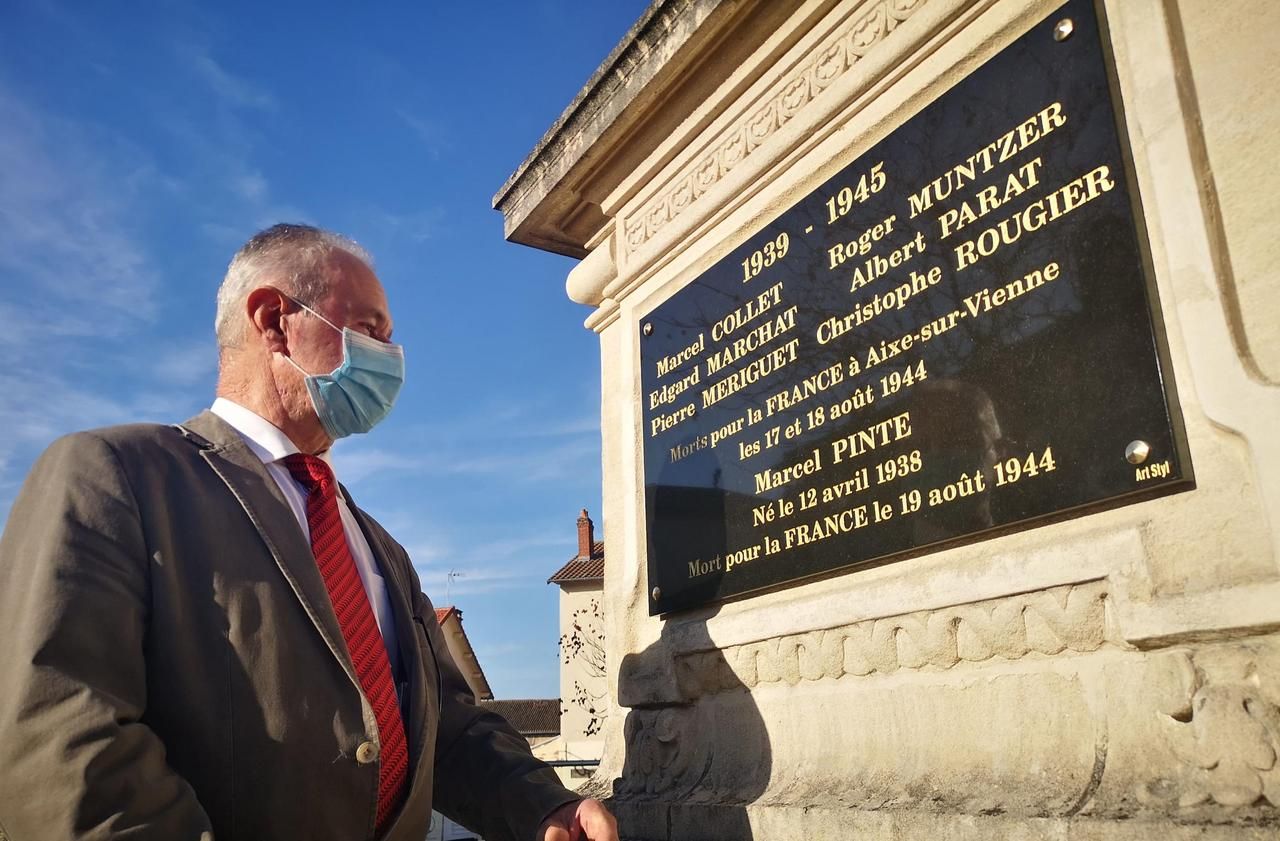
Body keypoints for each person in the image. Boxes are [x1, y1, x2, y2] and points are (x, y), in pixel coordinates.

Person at [0, 224, 618, 841]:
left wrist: (543, 806)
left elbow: (447, 731)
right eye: (370, 329)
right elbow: (64, 737)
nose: (392, 356)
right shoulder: (119, 478)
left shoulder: (381, 550)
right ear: (273, 319)